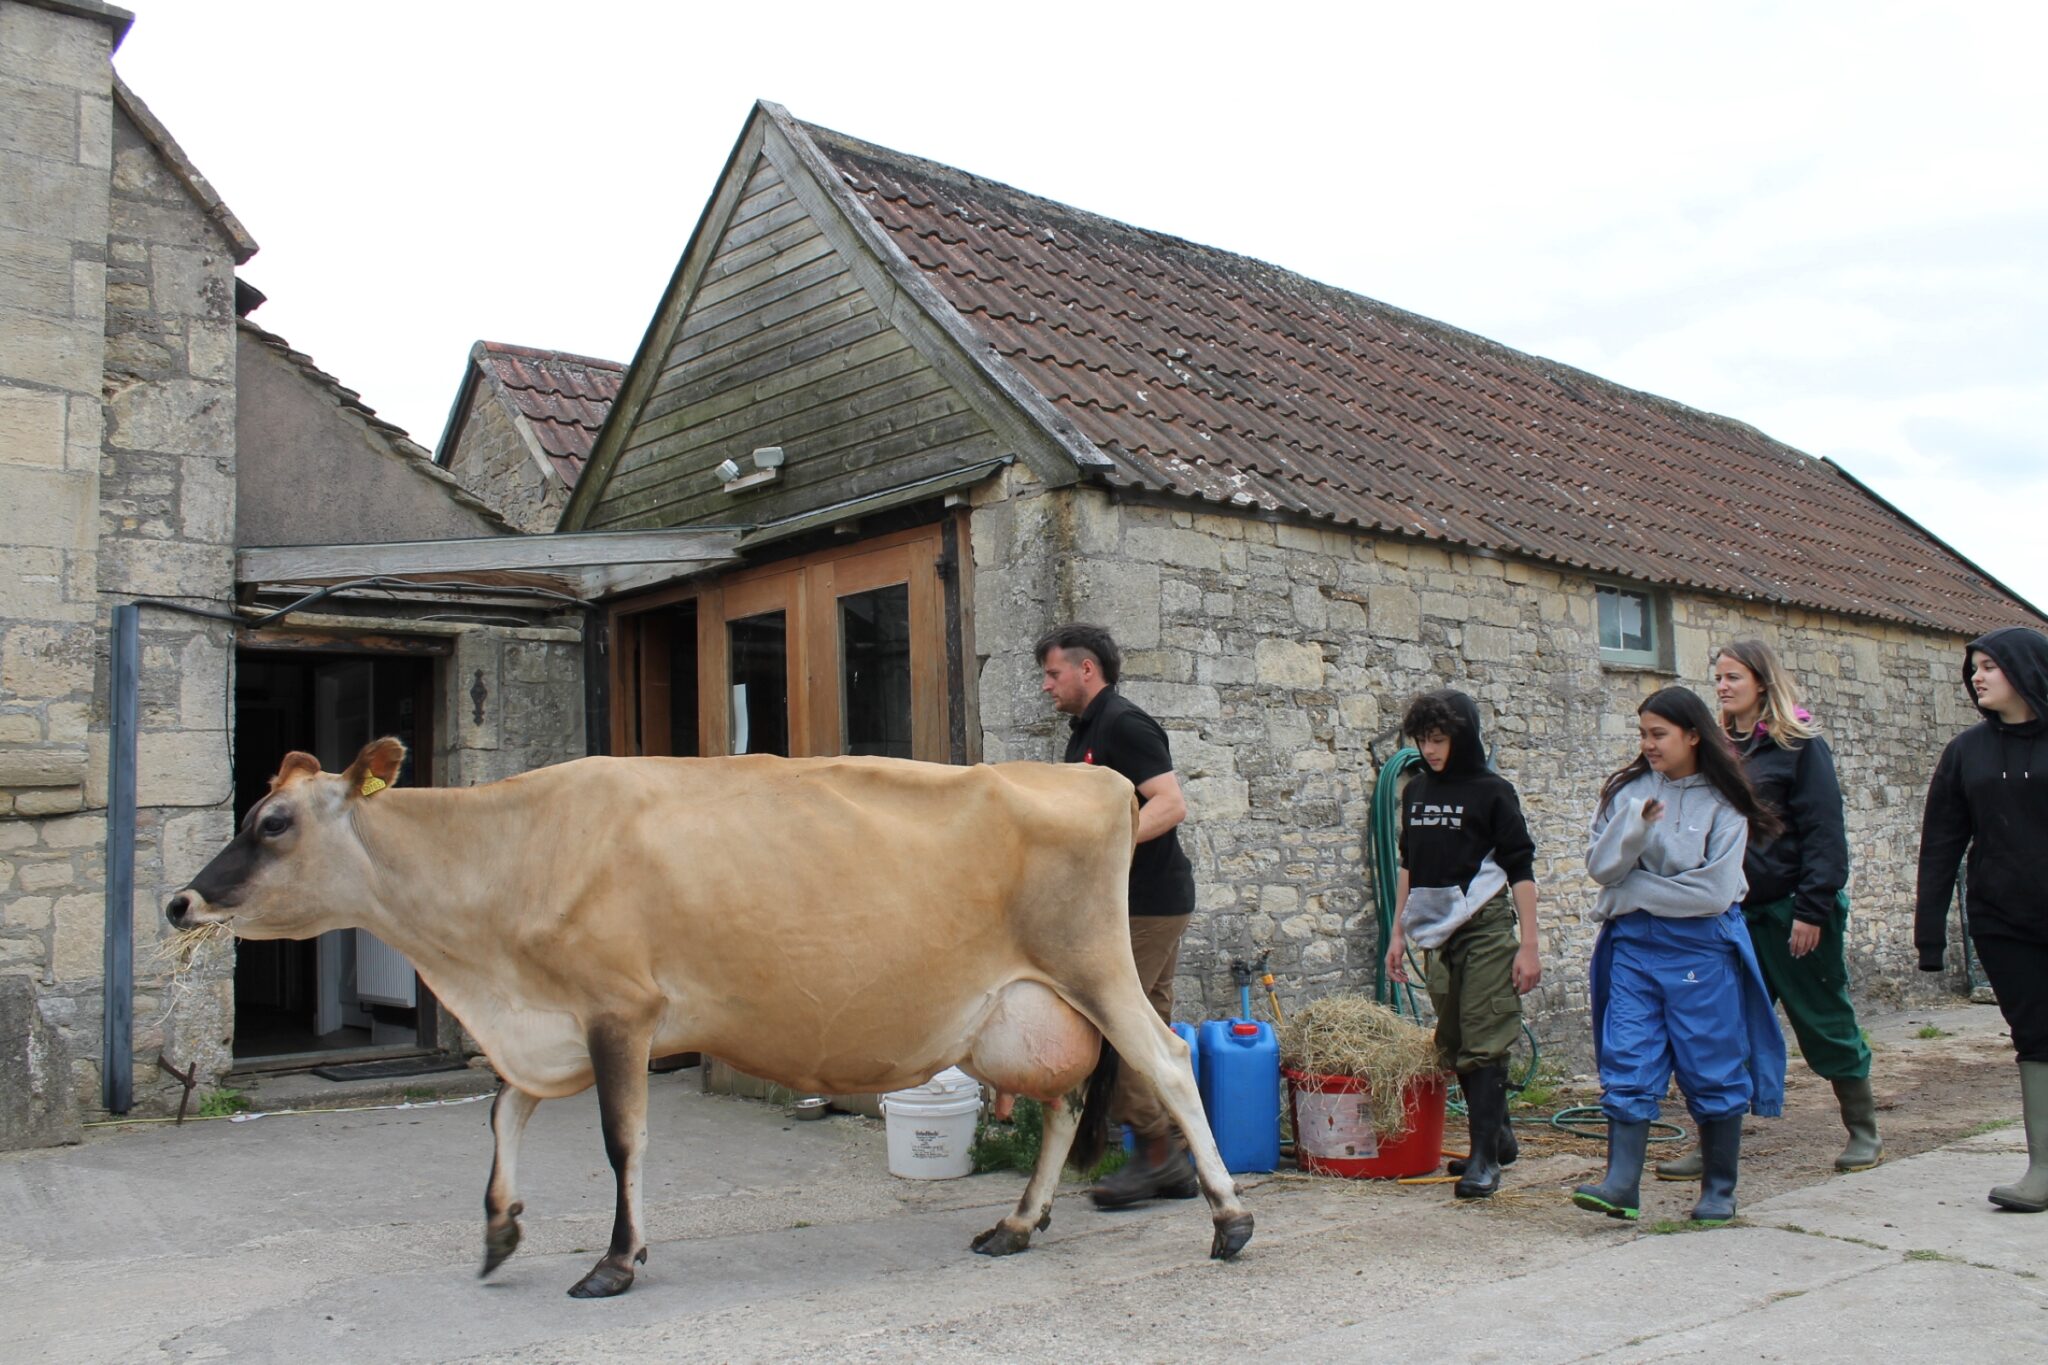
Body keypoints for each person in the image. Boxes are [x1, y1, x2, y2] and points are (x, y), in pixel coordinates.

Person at [1657, 640, 1879, 1181]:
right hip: (1730, 914)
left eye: (1734, 677)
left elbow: (1826, 834)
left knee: (1821, 1016)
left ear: (1762, 681)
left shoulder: (1799, 747)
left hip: (1792, 912)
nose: (1723, 686)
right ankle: (1713, 1143)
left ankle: (1863, 1130)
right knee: (1718, 1030)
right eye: (1718, 678)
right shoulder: (1712, 751)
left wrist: (1812, 909)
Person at [1575, 687, 1786, 1225]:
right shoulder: (1627, 791)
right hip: (1633, 949)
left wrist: (1635, 892)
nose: (1647, 744)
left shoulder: (1726, 802)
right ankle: (1621, 1184)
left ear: (1693, 735)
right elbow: (1602, 870)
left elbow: (1714, 893)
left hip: (1701, 950)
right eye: (1643, 733)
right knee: (1627, 1056)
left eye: (1658, 734)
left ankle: (1719, 1189)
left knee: (1711, 1061)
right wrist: (1636, 828)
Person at [1034, 623, 1199, 1208]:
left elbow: (1170, 803)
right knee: (1146, 1027)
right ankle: (1170, 1155)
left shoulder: (1124, 724)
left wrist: (1109, 850)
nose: (1047, 686)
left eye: (1053, 674)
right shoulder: (1087, 730)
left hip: (1146, 906)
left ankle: (1157, 1151)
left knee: (1119, 1028)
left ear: (1086, 670)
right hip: (1141, 903)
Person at [1383, 689, 1540, 1199]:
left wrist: (1530, 944)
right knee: (1452, 1037)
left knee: (1484, 1031)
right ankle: (1501, 1134)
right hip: (1436, 930)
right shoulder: (1416, 792)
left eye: (1440, 739)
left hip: (1486, 925)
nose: (1430, 750)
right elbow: (1409, 863)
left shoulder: (1493, 791)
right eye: (1423, 740)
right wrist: (1398, 931)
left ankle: (1484, 1159)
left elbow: (1520, 867)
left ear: (1464, 737)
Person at [1916, 625, 2048, 1213]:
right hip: (2003, 920)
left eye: (1990, 665)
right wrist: (1930, 935)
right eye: (1974, 666)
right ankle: (2042, 1168)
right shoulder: (1965, 751)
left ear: (2025, 669)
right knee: (2035, 1037)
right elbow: (1940, 844)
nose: (1978, 676)